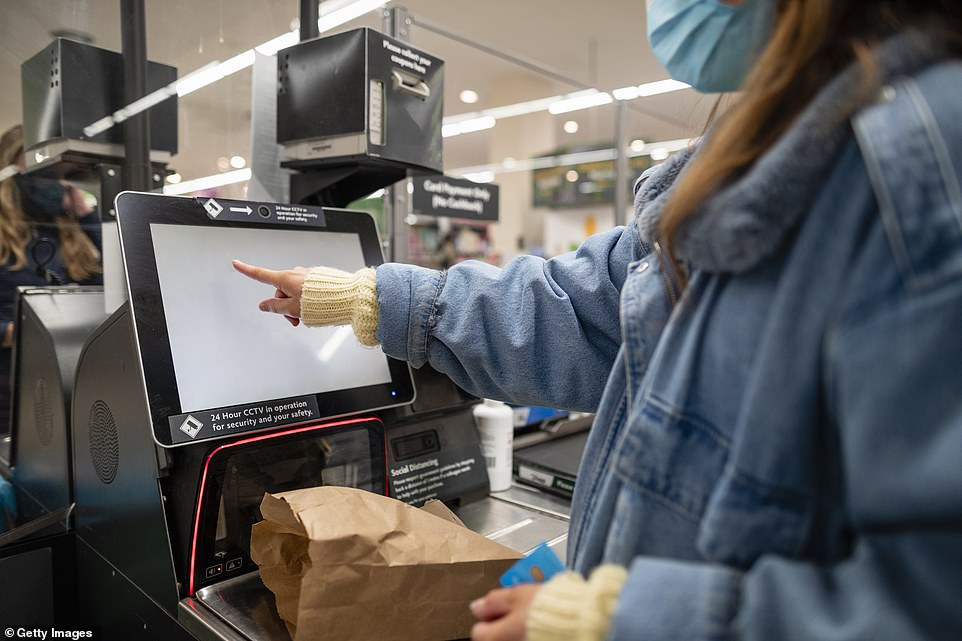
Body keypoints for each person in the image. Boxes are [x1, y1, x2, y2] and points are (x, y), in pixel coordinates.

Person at [234, 0, 962, 639]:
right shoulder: (769, 149)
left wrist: (623, 619)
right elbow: (573, 308)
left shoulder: (921, 169)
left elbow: (928, 604)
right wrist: (367, 299)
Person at [0, 124, 102, 433]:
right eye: (41, 168)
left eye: (61, 170)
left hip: (70, 380)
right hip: (8, 384)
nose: (53, 179)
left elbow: (111, 284)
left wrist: (85, 214)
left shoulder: (72, 232)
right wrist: (20, 333)